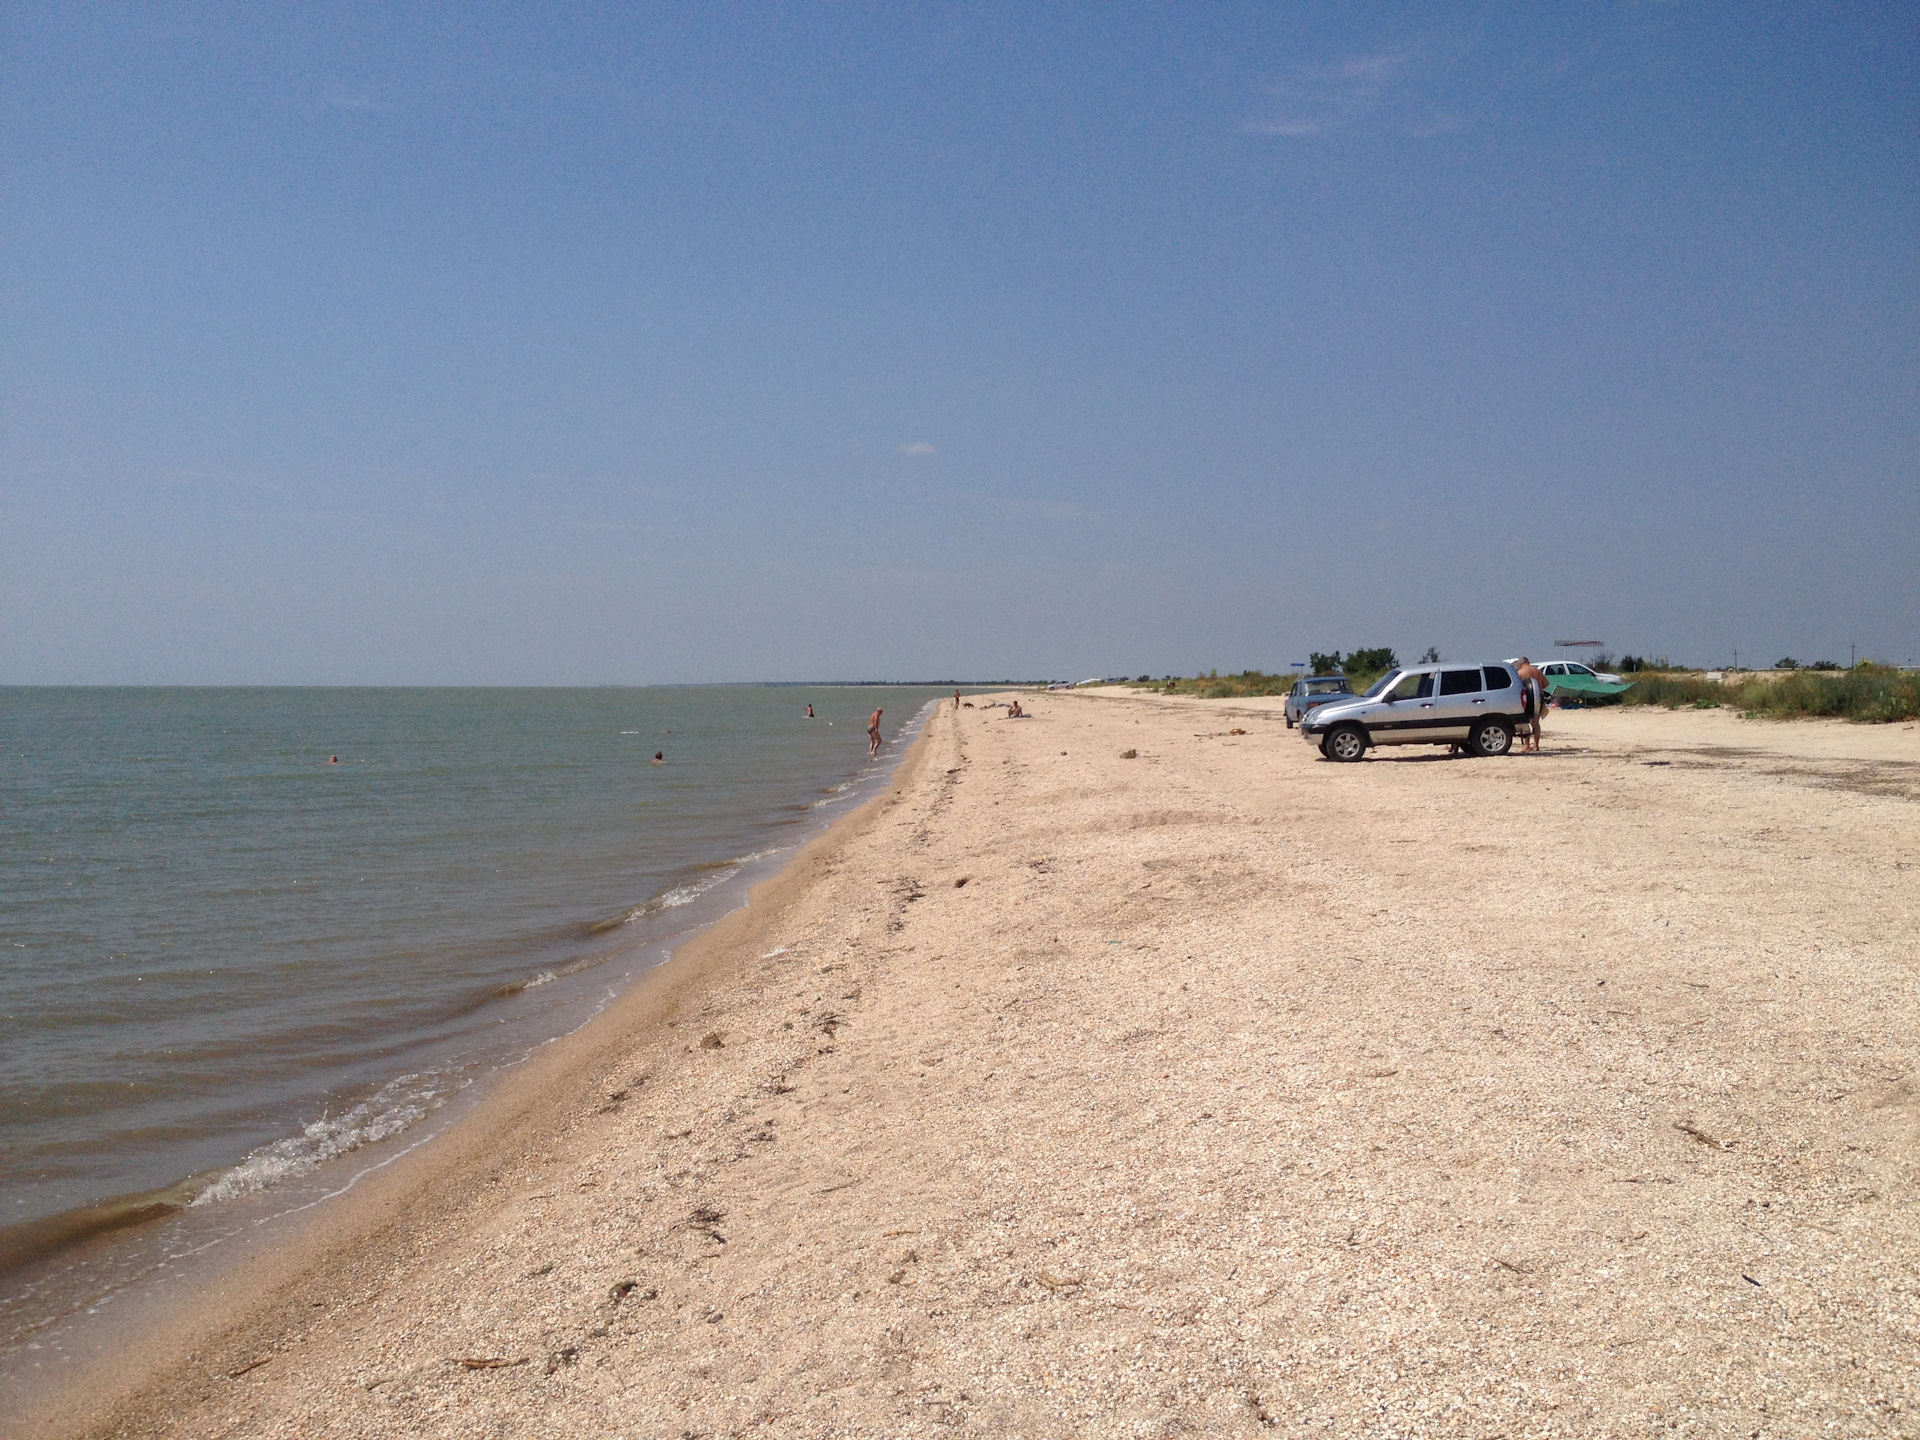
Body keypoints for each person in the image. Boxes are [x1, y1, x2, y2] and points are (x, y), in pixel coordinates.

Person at [1515, 657, 1547, 752]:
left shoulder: (1520, 673)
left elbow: (1517, 687)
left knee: (1525, 722)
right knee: (1535, 722)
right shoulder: (1537, 671)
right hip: (1539, 697)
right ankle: (1536, 745)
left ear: (1520, 664)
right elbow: (1546, 683)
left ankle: (1527, 745)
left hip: (1528, 698)